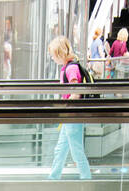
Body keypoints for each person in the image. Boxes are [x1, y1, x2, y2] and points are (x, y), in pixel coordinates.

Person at [47, 36, 92, 181]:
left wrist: (66, 109)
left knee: (76, 150)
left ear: (60, 53)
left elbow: (76, 91)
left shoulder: (71, 68)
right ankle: (53, 178)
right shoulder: (70, 66)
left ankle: (86, 180)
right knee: (61, 149)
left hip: (72, 115)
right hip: (70, 116)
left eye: (54, 55)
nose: (53, 59)